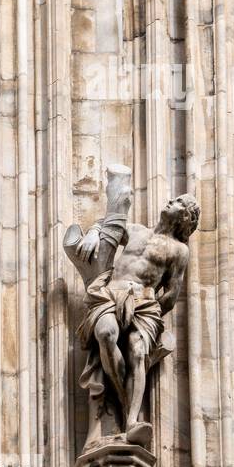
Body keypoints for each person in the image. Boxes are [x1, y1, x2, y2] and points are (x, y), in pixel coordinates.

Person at [73, 191, 200, 446]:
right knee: (106, 334)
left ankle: (131, 420)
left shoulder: (179, 250)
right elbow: (108, 225)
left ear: (185, 216)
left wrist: (147, 311)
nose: (169, 201)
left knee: (138, 350)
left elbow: (172, 295)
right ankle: (122, 400)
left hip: (145, 305)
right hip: (111, 294)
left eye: (177, 202)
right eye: (172, 198)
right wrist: (93, 233)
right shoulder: (136, 230)